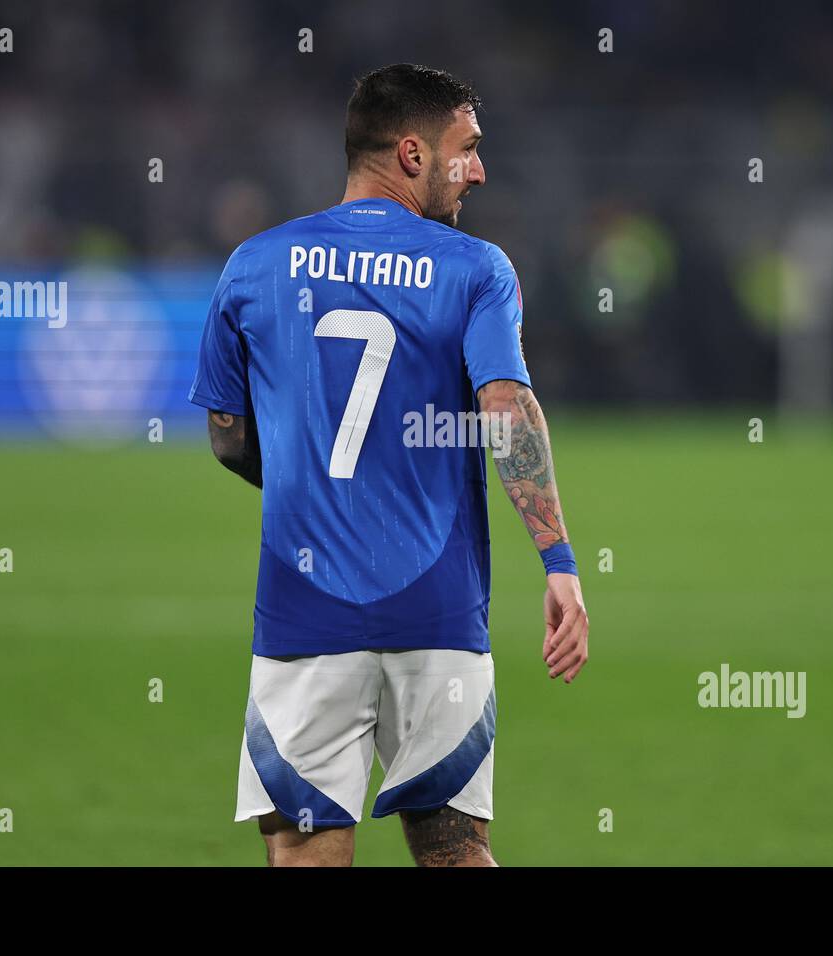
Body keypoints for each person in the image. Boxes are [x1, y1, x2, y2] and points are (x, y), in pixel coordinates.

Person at [189, 63, 588, 867]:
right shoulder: (476, 269)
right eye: (466, 149)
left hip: (304, 613)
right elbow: (505, 410)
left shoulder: (254, 266)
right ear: (412, 153)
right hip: (436, 611)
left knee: (304, 856)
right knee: (452, 851)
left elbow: (229, 438)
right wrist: (558, 560)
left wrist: (318, 484)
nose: (479, 169)